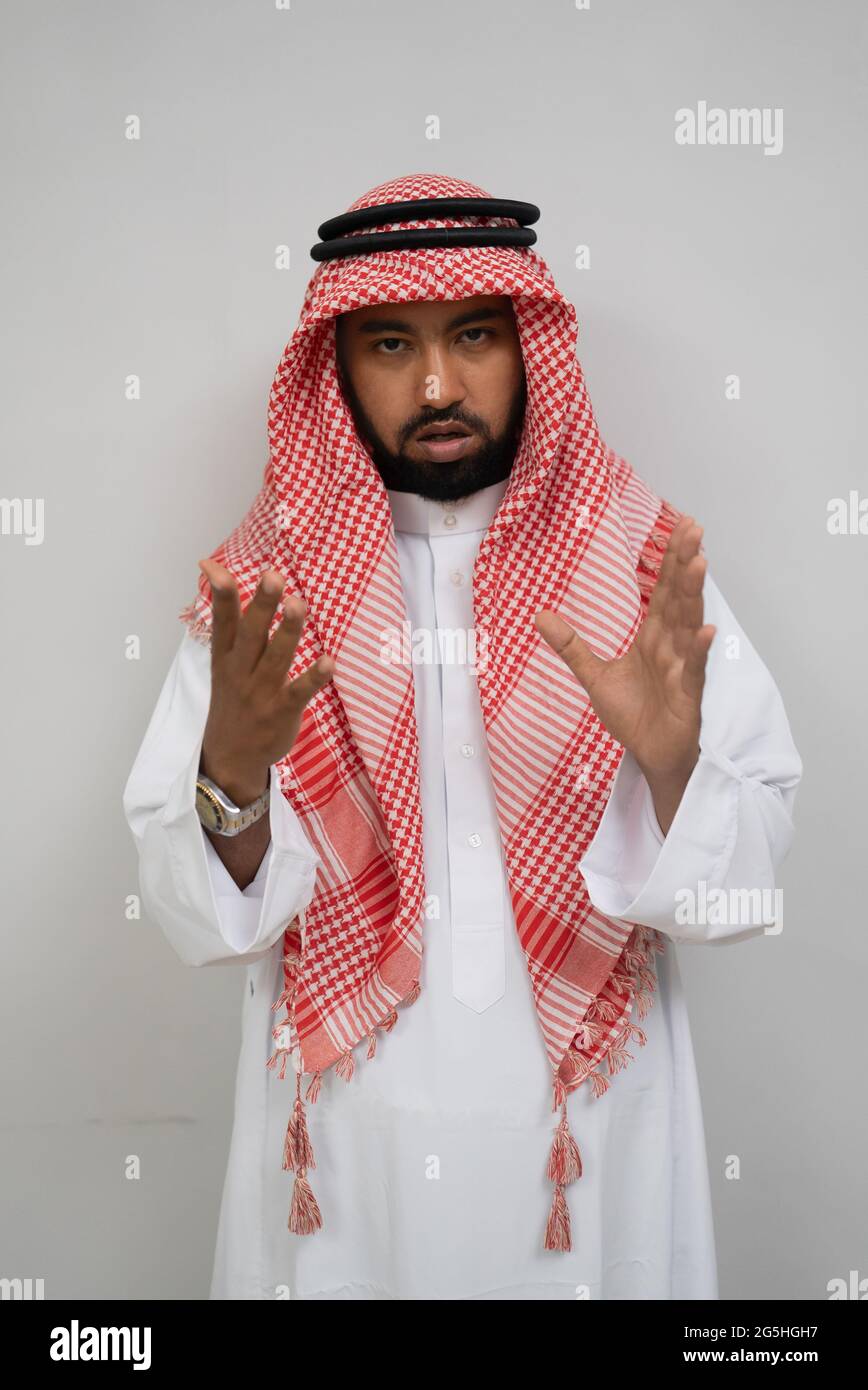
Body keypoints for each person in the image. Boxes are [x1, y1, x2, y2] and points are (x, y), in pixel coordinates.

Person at [122, 172, 802, 1301]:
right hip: (345, 1151)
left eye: (474, 335)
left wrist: (674, 763)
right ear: (335, 368)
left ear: (529, 345)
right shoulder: (262, 596)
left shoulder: (642, 572)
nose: (439, 384)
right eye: (390, 345)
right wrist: (231, 772)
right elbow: (203, 923)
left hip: (587, 1139)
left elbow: (739, 898)